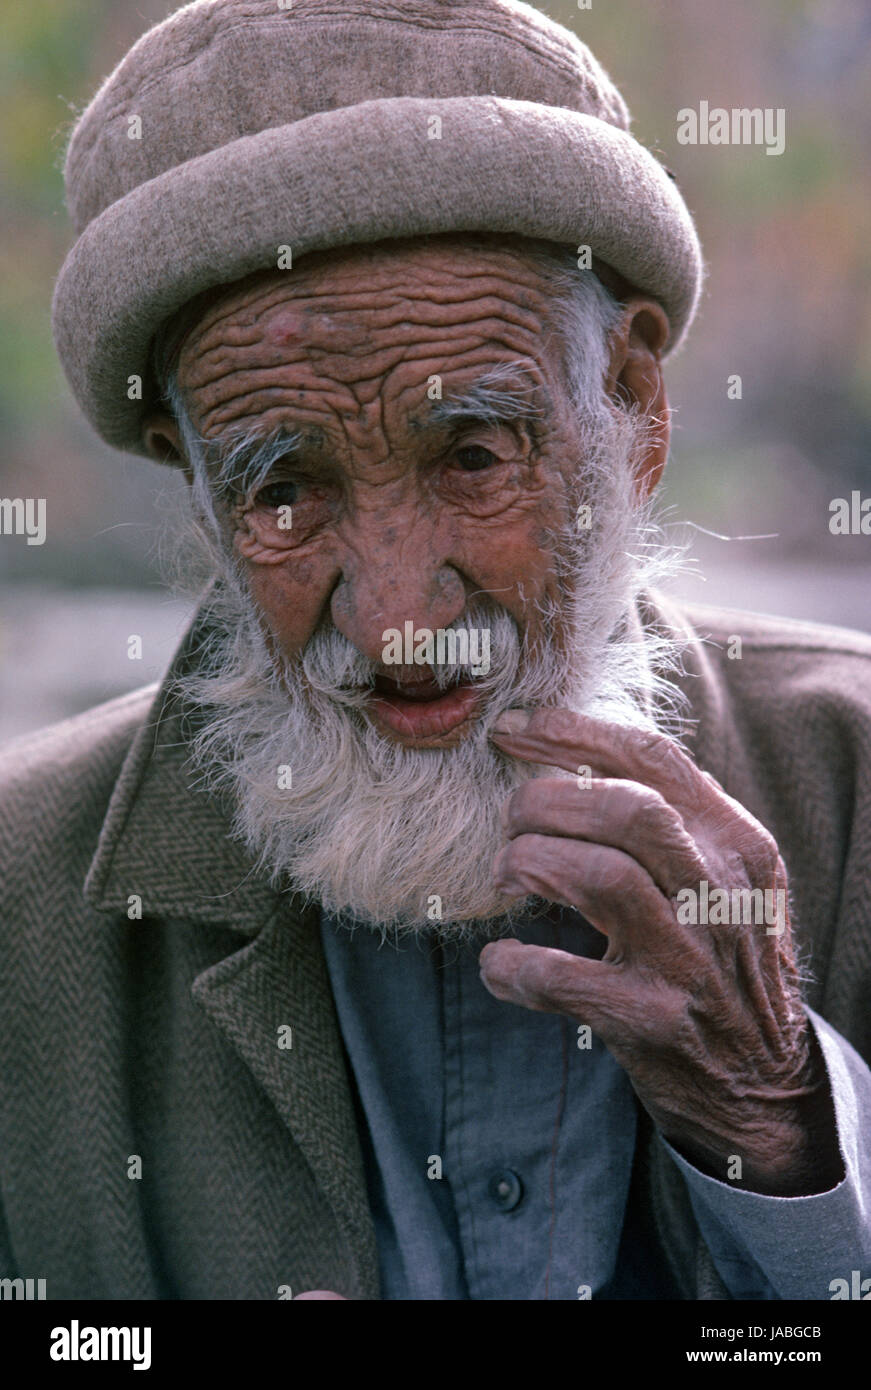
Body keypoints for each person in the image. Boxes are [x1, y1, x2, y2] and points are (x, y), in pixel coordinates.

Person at [1, 0, 869, 1300]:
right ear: (195, 484)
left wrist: (780, 1122)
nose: (397, 607)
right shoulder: (24, 910)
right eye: (283, 488)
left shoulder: (860, 785)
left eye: (472, 455)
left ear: (632, 410)